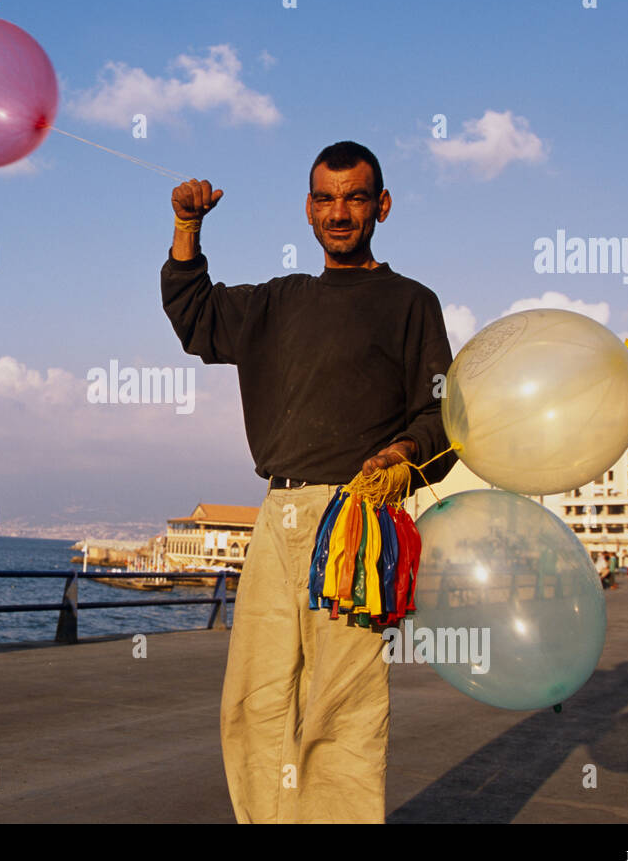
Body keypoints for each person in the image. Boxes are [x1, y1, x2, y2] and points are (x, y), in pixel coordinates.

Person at [161, 141, 456, 823]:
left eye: (355, 197)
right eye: (325, 198)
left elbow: (443, 411)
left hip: (358, 519)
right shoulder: (279, 301)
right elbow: (195, 314)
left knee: (343, 704)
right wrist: (187, 226)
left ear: (381, 206)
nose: (340, 212)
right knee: (254, 699)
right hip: (279, 516)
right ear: (307, 210)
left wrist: (407, 449)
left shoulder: (412, 303)